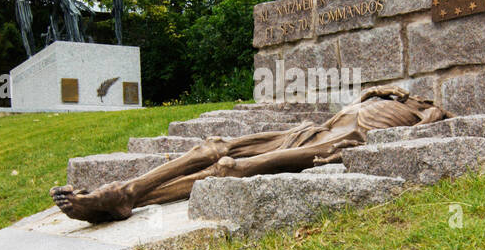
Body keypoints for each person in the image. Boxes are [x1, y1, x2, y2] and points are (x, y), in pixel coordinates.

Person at [51, 85, 449, 222]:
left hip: (340, 142)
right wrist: (377, 91)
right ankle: (127, 192)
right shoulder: (379, 96)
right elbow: (354, 104)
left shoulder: (424, 109)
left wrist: (417, 107)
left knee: (231, 167)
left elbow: (434, 118)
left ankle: (125, 197)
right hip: (314, 129)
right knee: (212, 148)